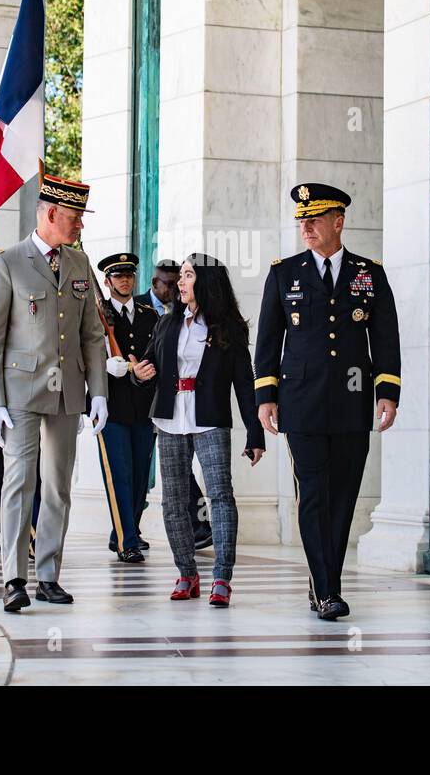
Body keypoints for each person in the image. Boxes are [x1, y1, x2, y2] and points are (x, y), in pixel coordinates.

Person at [253, 183, 401, 620]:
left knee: (343, 499)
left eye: (315, 218)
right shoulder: (285, 273)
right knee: (314, 496)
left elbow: (386, 339)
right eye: (302, 219)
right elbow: (266, 341)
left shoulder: (369, 273)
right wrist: (266, 397)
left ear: (339, 221)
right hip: (302, 404)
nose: (306, 226)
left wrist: (387, 391)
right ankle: (327, 589)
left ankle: (325, 583)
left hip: (354, 405)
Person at [0, 174, 118, 612]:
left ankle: (48, 575)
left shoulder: (79, 263)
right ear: (51, 213)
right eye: (75, 217)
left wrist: (99, 393)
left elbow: (92, 336)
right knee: (19, 483)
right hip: (19, 392)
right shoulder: (8, 262)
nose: (79, 225)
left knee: (58, 485)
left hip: (67, 394)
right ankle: (13, 578)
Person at [138, 253, 265, 607]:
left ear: (205, 282)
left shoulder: (229, 326)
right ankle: (186, 572)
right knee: (174, 499)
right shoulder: (167, 323)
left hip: (209, 418)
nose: (179, 282)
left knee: (220, 494)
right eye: (180, 276)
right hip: (169, 419)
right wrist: (138, 374)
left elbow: (244, 383)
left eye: (188, 276)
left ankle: (222, 576)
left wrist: (255, 433)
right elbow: (149, 364)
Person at [136, 259, 213, 550]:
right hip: (150, 403)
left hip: (182, 404)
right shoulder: (142, 307)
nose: (174, 287)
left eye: (180, 279)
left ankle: (199, 527)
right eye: (169, 282)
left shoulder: (187, 315)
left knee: (183, 474)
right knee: (147, 471)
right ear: (154, 283)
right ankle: (128, 530)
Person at [96, 252, 159, 562]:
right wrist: (106, 365)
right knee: (119, 474)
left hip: (144, 407)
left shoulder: (150, 315)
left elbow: (160, 356)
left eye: (129, 275)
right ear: (107, 282)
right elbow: (84, 354)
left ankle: (124, 530)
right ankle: (127, 541)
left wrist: (148, 372)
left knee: (138, 477)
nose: (124, 280)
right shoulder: (95, 314)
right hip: (111, 406)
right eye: (118, 276)